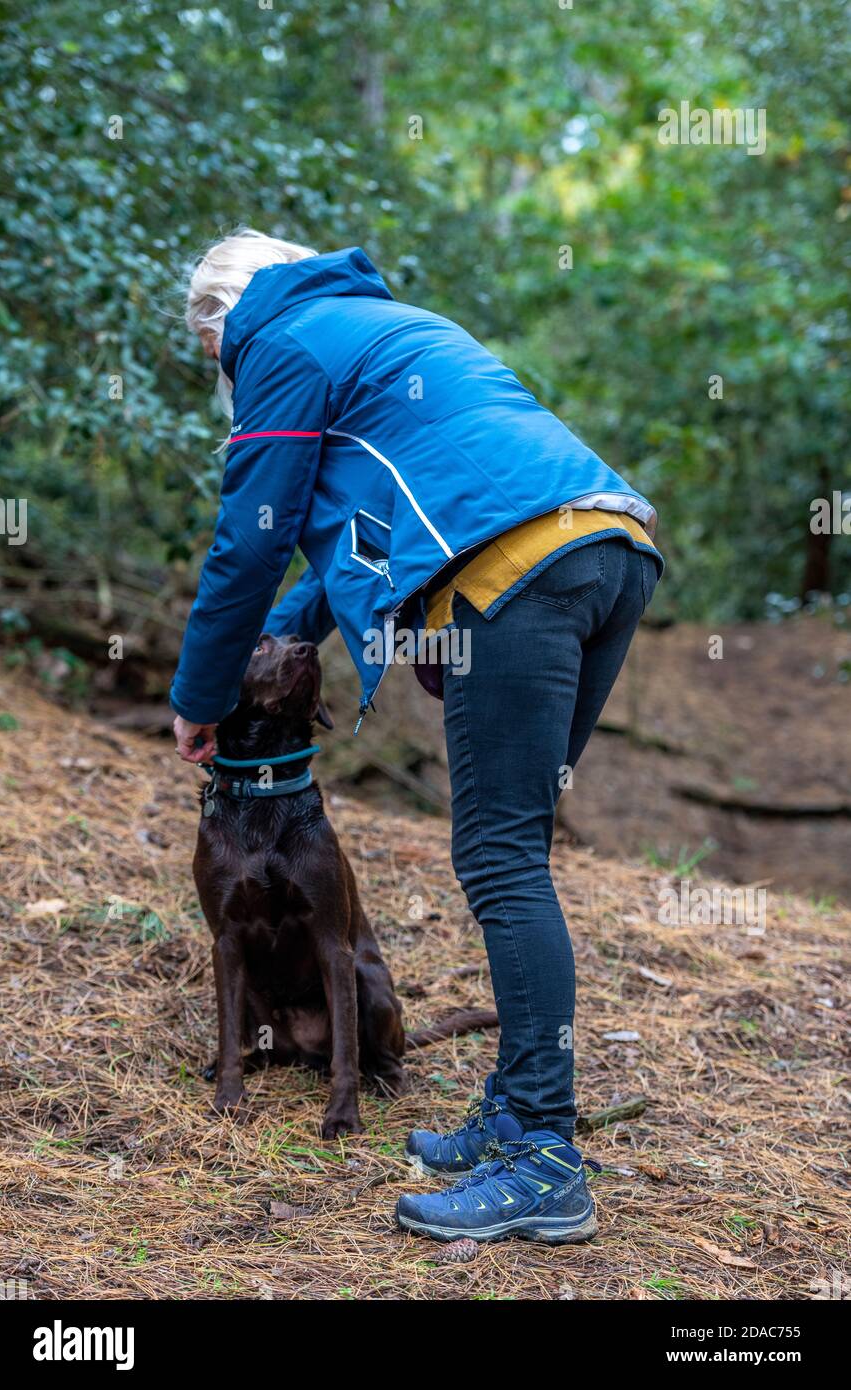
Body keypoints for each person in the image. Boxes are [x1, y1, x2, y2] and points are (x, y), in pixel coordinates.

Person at [171, 230, 663, 1244]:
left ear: (227, 317)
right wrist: (292, 632)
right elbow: (349, 533)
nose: (221, 371)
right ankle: (522, 1104)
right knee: (513, 852)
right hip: (608, 548)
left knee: (499, 859)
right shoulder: (378, 325)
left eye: (209, 350)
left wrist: (199, 691)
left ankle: (540, 1155)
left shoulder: (279, 342)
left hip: (515, 572)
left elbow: (252, 535)